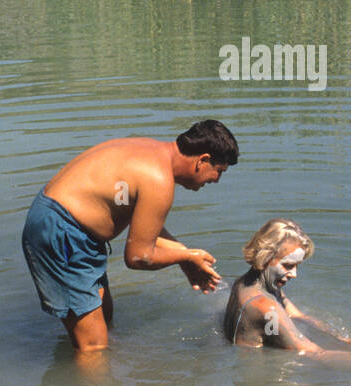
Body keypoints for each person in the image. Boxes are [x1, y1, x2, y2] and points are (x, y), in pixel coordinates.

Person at [22, 120, 238, 353]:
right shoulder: (159, 179)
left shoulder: (153, 153)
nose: (216, 180)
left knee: (105, 318)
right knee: (93, 347)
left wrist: (185, 256)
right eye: (219, 171)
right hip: (62, 232)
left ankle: (100, 373)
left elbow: (145, 230)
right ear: (202, 160)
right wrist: (185, 258)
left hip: (67, 226)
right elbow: (138, 257)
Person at [224, 219, 351, 356]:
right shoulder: (267, 308)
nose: (294, 274)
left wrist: (336, 339)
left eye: (297, 266)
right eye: (288, 265)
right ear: (265, 257)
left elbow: (299, 316)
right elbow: (314, 353)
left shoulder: (244, 283)